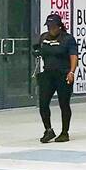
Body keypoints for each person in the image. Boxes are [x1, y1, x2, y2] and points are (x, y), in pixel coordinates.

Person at [34, 12, 79, 143]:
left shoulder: (67, 39)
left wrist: (72, 72)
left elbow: (73, 56)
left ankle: (65, 132)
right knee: (43, 103)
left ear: (59, 26)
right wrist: (36, 52)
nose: (51, 29)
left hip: (63, 74)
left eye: (53, 26)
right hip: (48, 74)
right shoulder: (44, 38)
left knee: (64, 104)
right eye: (48, 26)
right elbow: (39, 50)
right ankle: (48, 130)